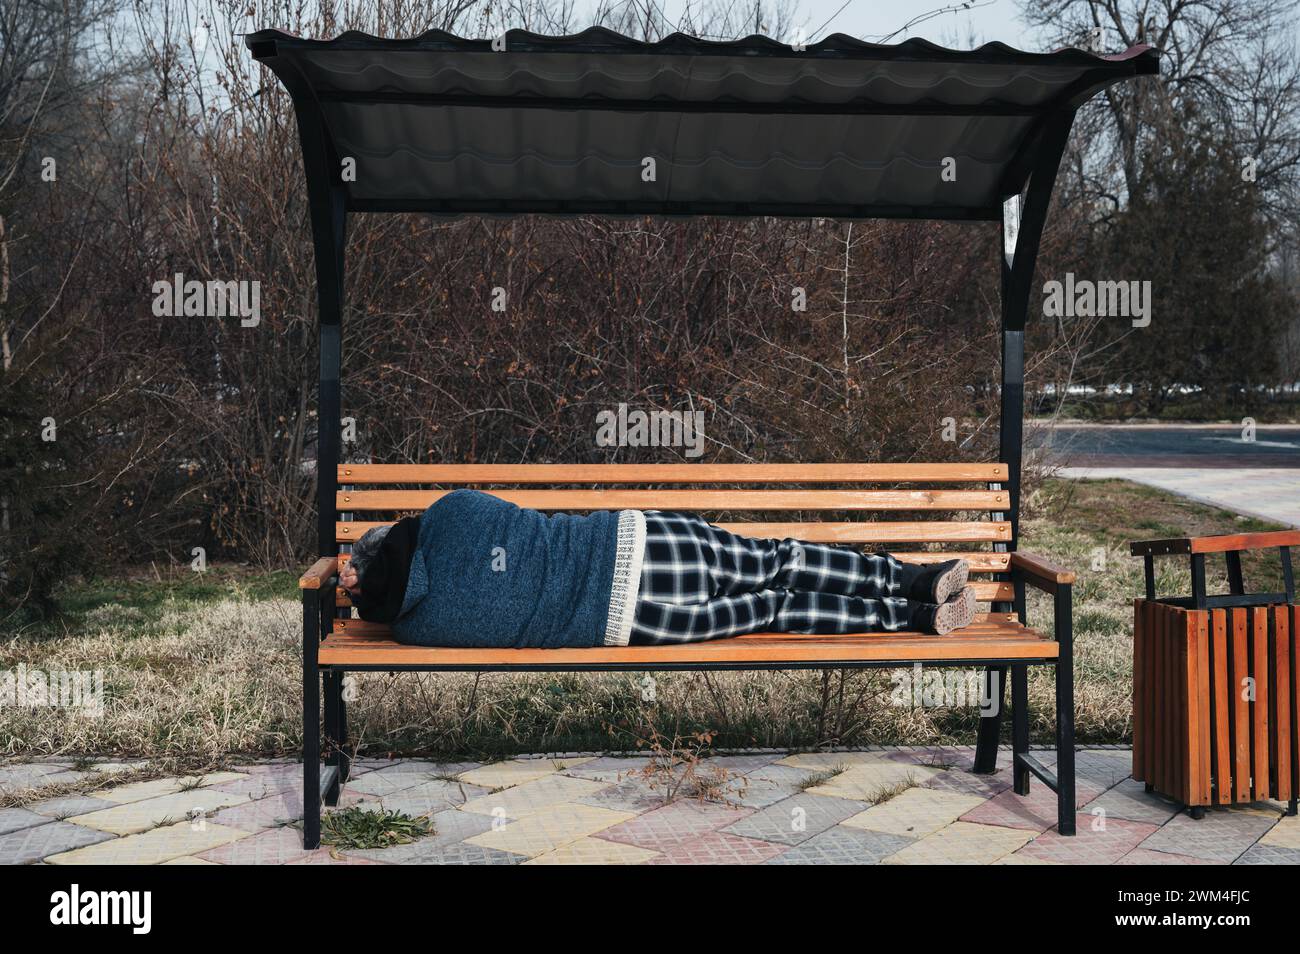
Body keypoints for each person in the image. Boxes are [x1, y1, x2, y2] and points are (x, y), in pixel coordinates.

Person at [338, 489, 976, 649]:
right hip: (638, 545)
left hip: (636, 621)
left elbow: (393, 587)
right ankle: (911, 579)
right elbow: (413, 531)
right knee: (780, 559)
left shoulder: (417, 630)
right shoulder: (450, 514)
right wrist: (381, 545)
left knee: (775, 607)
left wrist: (370, 589)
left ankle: (915, 617)